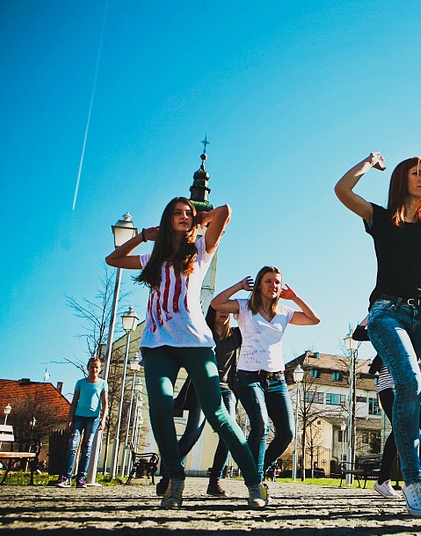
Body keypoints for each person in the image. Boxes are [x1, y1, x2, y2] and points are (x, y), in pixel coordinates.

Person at [334, 151, 421, 517]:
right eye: (416, 172)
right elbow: (342, 189)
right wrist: (367, 163)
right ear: (402, 180)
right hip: (387, 312)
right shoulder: (380, 218)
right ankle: (412, 480)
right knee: (409, 382)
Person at [106, 197, 264, 509]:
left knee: (218, 414)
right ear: (167, 220)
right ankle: (175, 480)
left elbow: (226, 212)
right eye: (176, 213)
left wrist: (199, 218)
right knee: (160, 409)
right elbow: (113, 260)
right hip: (156, 343)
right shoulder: (153, 257)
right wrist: (141, 236)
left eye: (186, 213)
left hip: (194, 342)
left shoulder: (201, 250)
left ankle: (254, 483)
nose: (182, 216)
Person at [211, 267, 320, 495]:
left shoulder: (284, 312)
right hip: (249, 377)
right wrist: (239, 286)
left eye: (278, 282)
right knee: (260, 426)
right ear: (259, 284)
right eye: (269, 281)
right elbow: (217, 303)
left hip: (277, 380)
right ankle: (256, 482)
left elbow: (314, 320)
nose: (274, 286)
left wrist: (296, 297)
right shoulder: (244, 307)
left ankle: (255, 471)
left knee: (287, 433)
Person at [155, 307, 243, 498]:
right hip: (201, 386)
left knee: (230, 433)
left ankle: (215, 481)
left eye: (227, 310)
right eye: (220, 309)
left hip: (226, 389)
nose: (224, 312)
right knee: (192, 433)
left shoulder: (236, 335)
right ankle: (169, 477)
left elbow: (254, 320)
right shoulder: (203, 333)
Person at [57, 357, 108, 488]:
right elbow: (74, 402)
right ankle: (66, 477)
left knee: (87, 447)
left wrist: (103, 419)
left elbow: (105, 403)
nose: (94, 370)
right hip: (79, 416)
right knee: (73, 444)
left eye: (96, 367)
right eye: (92, 367)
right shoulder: (80, 383)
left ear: (100, 369)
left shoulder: (103, 384)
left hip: (93, 418)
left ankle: (81, 477)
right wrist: (69, 419)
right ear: (88, 368)